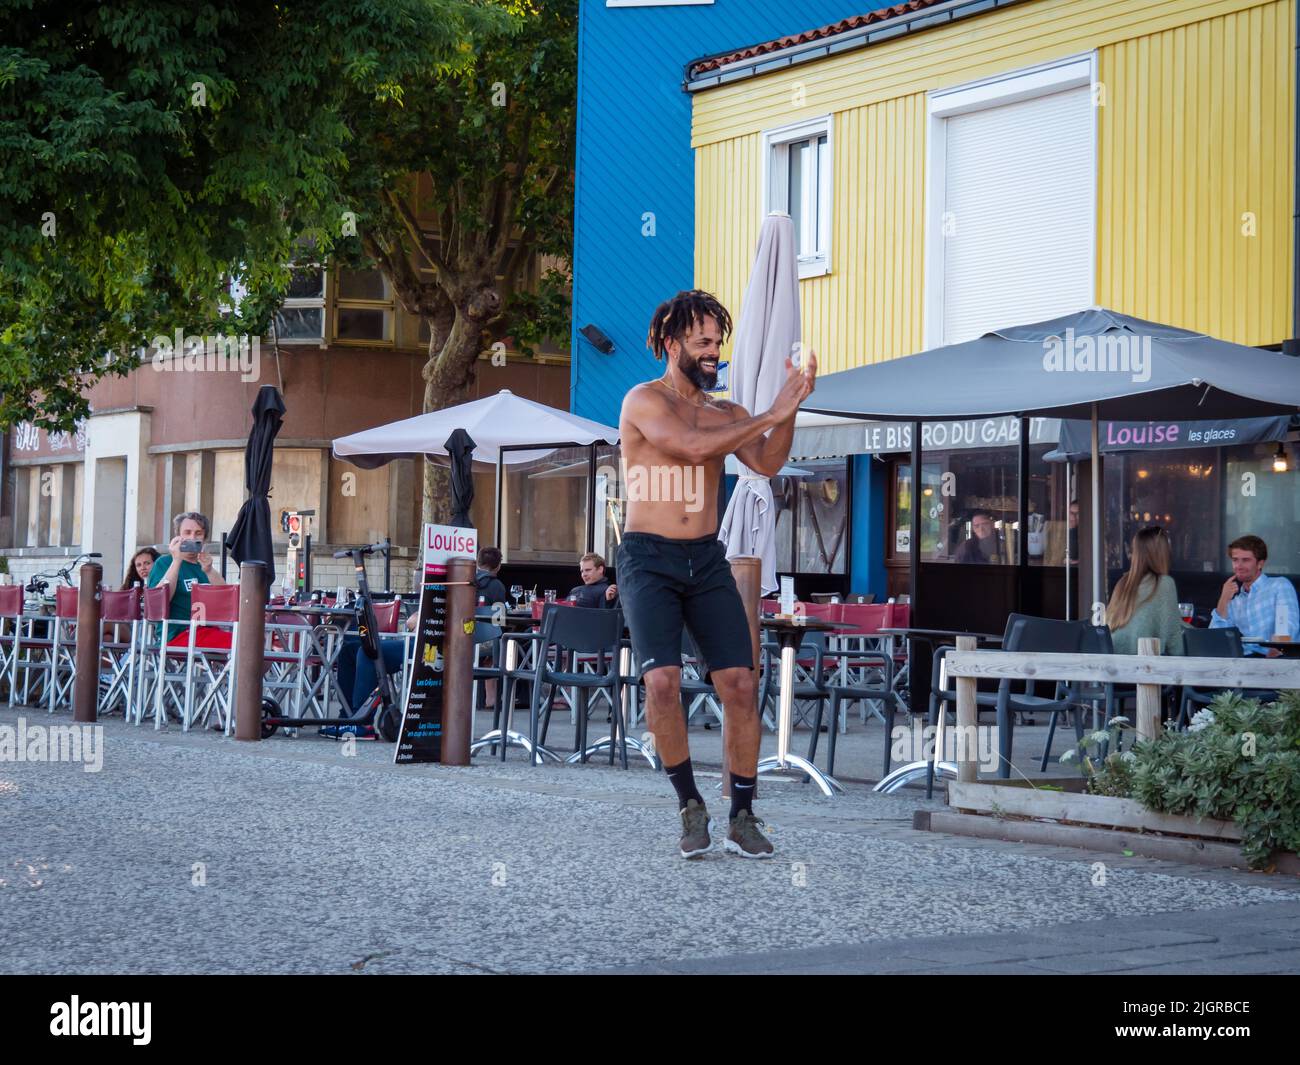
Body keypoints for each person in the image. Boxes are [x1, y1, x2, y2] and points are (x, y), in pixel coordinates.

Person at [618, 289, 815, 860]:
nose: (713, 353)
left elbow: (768, 461)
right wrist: (771, 411)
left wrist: (792, 405)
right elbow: (690, 445)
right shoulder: (643, 400)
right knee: (662, 683)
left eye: (717, 344)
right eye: (702, 343)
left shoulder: (728, 411)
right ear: (671, 343)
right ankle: (689, 803)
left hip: (707, 556)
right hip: (647, 556)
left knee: (741, 683)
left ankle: (743, 814)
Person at [1210, 535, 1300, 656]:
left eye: (1246, 560)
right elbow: (1215, 639)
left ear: (1260, 564)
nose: (1239, 566)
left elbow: (1289, 628)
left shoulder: (1279, 585)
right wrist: (1223, 599)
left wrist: (1277, 651)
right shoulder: (1234, 599)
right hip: (1243, 662)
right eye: (1235, 560)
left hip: (1277, 661)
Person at [147, 512, 226, 646]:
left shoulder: (205, 567)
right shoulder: (164, 563)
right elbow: (157, 604)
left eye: (198, 533)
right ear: (178, 536)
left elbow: (226, 600)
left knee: (260, 644)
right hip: (177, 634)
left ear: (204, 539)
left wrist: (209, 570)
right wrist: (176, 560)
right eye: (187, 532)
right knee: (246, 646)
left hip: (209, 631)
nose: (192, 537)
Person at [1105, 526, 1185, 655]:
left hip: (1113, 668)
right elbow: (1173, 638)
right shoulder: (1164, 584)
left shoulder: (1123, 583)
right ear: (1162, 554)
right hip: (1143, 669)